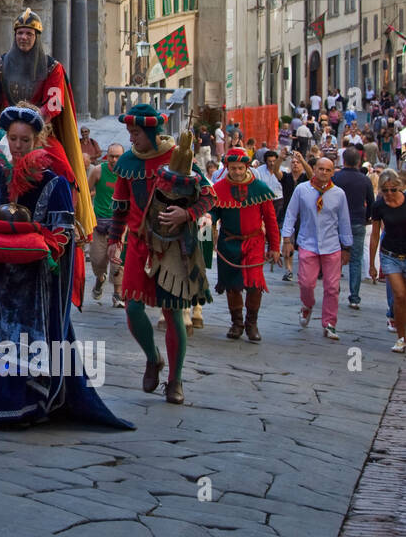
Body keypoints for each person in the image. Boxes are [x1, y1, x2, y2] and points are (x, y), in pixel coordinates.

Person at [0, 104, 132, 429]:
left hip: (34, 282)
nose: (18, 146)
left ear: (38, 140)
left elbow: (62, 235)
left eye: (25, 140)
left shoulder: (55, 183)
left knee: (22, 339)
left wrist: (36, 241)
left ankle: (22, 405)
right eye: (13, 139)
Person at [107, 105, 215, 405]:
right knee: (132, 309)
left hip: (173, 247)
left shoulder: (178, 156)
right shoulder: (127, 161)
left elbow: (209, 195)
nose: (132, 138)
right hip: (139, 245)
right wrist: (115, 238)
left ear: (152, 132)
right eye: (129, 133)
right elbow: (121, 204)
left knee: (172, 314)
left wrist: (186, 213)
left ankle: (175, 380)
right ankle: (152, 358)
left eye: (137, 133)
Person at [0, 8, 96, 237]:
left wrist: (32, 118)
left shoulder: (53, 68)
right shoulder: (2, 64)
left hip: (40, 132)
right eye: (20, 33)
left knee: (65, 171)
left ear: (36, 37)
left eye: (29, 34)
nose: (23, 37)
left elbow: (54, 103)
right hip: (6, 130)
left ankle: (69, 224)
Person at [211, 149, 281, 342]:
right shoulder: (218, 188)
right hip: (228, 242)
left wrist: (274, 247)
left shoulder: (259, 188)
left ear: (247, 167)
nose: (238, 172)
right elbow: (213, 212)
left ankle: (252, 324)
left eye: (241, 168)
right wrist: (208, 220)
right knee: (232, 285)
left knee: (254, 284)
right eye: (233, 168)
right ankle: (237, 323)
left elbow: (271, 220)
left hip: (254, 243)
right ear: (227, 168)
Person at [281, 157, 352, 342]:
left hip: (332, 245)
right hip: (308, 243)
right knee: (306, 282)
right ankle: (307, 304)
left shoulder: (339, 194)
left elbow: (344, 221)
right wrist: (287, 238)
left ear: (333, 172)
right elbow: (290, 214)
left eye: (328, 170)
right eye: (320, 169)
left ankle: (329, 323)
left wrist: (347, 246)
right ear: (314, 169)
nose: (324, 173)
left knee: (332, 287)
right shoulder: (302, 190)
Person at [367, 169, 406, 353]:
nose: (389, 194)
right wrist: (372, 264)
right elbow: (375, 236)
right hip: (390, 255)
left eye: (393, 189)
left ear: (400, 187)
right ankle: (401, 338)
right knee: (399, 296)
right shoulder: (379, 205)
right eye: (385, 190)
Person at [332, 146, 374, 311]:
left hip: (336, 223)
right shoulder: (365, 180)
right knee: (355, 260)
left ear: (343, 160)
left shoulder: (336, 178)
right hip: (357, 222)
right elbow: (371, 201)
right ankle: (354, 297)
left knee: (335, 258)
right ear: (358, 161)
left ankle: (333, 291)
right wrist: (367, 217)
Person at [88, 143, 124, 308]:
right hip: (99, 223)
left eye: (117, 156)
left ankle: (117, 295)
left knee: (117, 261)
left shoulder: (127, 174)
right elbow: (86, 193)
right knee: (97, 259)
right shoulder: (98, 171)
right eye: (111, 156)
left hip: (119, 224)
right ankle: (99, 279)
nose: (114, 159)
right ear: (106, 156)